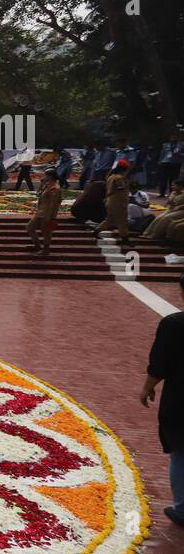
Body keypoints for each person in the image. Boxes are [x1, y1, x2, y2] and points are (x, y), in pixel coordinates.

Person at [141, 273, 184, 526]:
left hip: (180, 397)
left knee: (181, 451)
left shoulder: (174, 324)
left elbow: (160, 363)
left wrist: (147, 387)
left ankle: (182, 508)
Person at [94, 161, 131, 247]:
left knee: (110, 219)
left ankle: (96, 231)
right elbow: (119, 187)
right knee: (122, 220)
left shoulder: (111, 176)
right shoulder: (119, 178)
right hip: (117, 201)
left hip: (111, 200)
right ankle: (125, 238)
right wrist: (127, 184)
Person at [28, 168, 62, 255]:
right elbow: (38, 194)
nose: (44, 177)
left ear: (50, 176)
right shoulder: (47, 185)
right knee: (30, 227)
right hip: (40, 212)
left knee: (46, 232)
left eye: (45, 175)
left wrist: (50, 217)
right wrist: (42, 184)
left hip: (47, 213)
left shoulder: (55, 188)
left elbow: (53, 204)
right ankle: (37, 246)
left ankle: (46, 250)